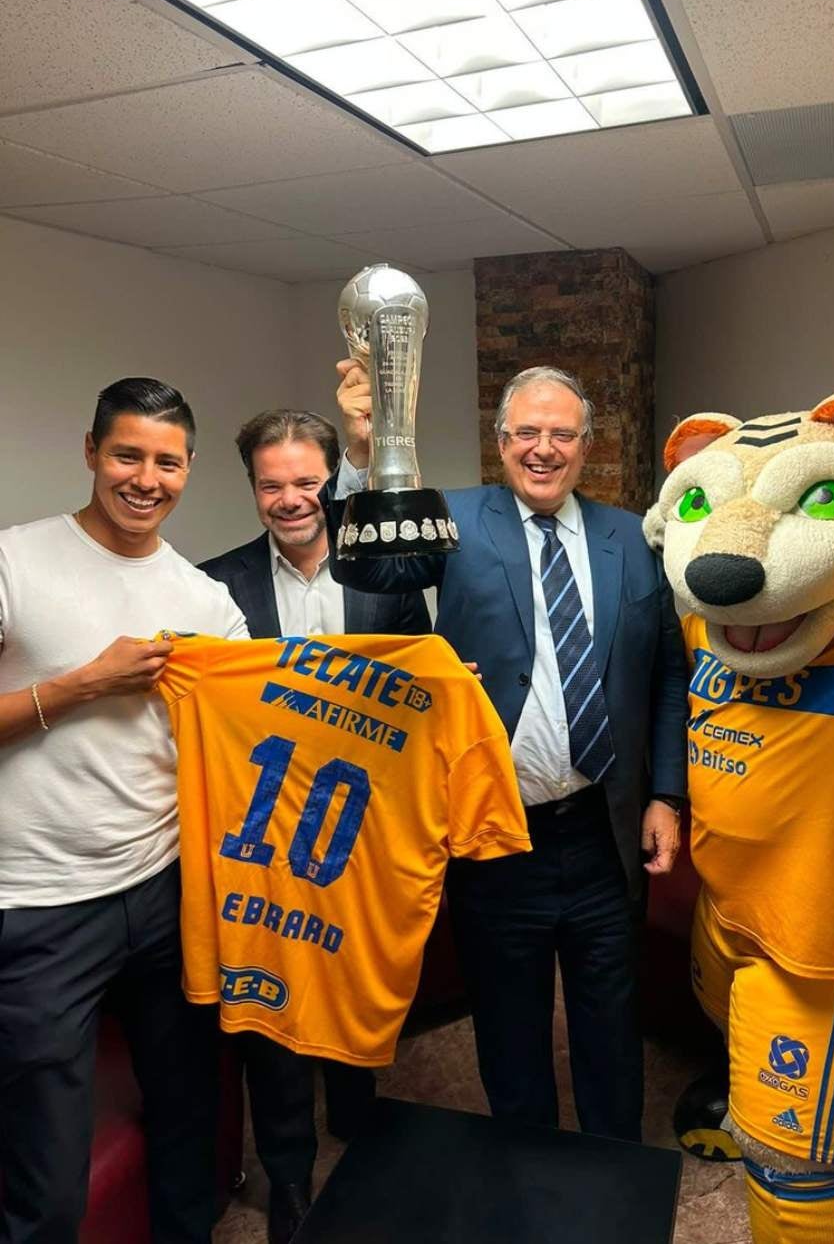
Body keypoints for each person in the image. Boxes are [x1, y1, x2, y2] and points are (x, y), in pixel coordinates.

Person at [329, 361, 689, 1140]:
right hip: (497, 836)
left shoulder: (634, 539)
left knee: (609, 1024)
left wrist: (667, 793)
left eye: (562, 434)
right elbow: (369, 574)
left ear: (586, 447)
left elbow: (666, 675)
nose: (543, 448)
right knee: (509, 1027)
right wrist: (362, 458)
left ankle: (609, 1174)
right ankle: (525, 1172)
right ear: (500, 442)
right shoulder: (453, 519)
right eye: (527, 432)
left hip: (604, 834)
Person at [0, 377, 248, 1244]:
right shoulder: (14, 560)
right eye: (128, 455)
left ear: (188, 470)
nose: (147, 478)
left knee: (188, 1121)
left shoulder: (205, 600)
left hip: (164, 893)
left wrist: (414, 701)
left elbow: (271, 714)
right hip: (37, 906)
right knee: (45, 1165)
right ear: (91, 453)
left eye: (167, 462)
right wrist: (81, 686)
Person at [199, 408, 430, 1244]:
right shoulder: (211, 584)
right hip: (261, 835)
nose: (291, 499)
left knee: (359, 972)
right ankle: (289, 1176)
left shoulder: (387, 575)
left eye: (306, 481)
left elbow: (421, 684)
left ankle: (361, 1111)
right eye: (272, 483)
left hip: (366, 827)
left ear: (334, 480)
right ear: (252, 487)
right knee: (273, 1005)